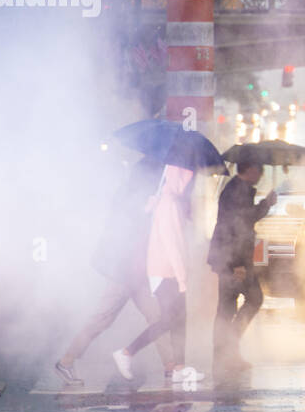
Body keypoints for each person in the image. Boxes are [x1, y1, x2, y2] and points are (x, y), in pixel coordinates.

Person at [55, 157, 174, 386]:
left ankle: (170, 367)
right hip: (124, 271)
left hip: (136, 271)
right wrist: (146, 210)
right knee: (102, 319)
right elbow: (125, 230)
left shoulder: (142, 196)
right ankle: (66, 361)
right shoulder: (130, 197)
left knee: (156, 317)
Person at [113, 164, 206, 384]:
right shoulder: (169, 204)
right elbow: (171, 243)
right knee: (168, 320)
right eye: (184, 178)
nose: (187, 182)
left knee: (178, 320)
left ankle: (180, 367)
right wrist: (182, 278)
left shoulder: (166, 202)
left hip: (165, 270)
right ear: (175, 178)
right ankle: (127, 352)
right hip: (166, 271)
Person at [208, 156, 277, 376]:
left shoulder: (240, 188)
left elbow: (246, 220)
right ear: (249, 169)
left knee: (227, 307)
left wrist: (265, 203)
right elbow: (235, 228)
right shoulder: (237, 191)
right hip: (232, 259)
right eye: (260, 169)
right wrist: (236, 264)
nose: (262, 174)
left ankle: (225, 352)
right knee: (253, 299)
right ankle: (227, 349)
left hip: (229, 258)